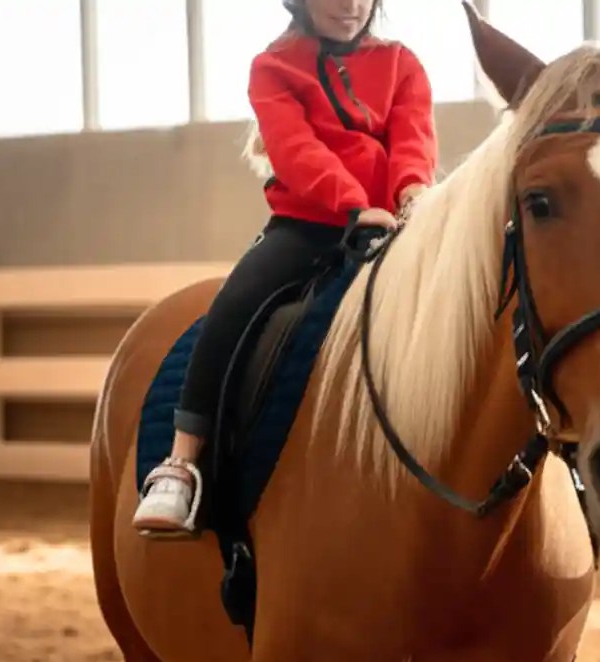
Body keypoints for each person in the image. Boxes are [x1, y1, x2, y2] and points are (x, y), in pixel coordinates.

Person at [131, 0, 437, 537]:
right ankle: (180, 464)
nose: (352, 5)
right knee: (231, 307)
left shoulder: (403, 63)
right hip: (309, 225)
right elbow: (296, 151)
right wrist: (351, 203)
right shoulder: (273, 67)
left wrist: (413, 191)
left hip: (395, 222)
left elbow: (413, 139)